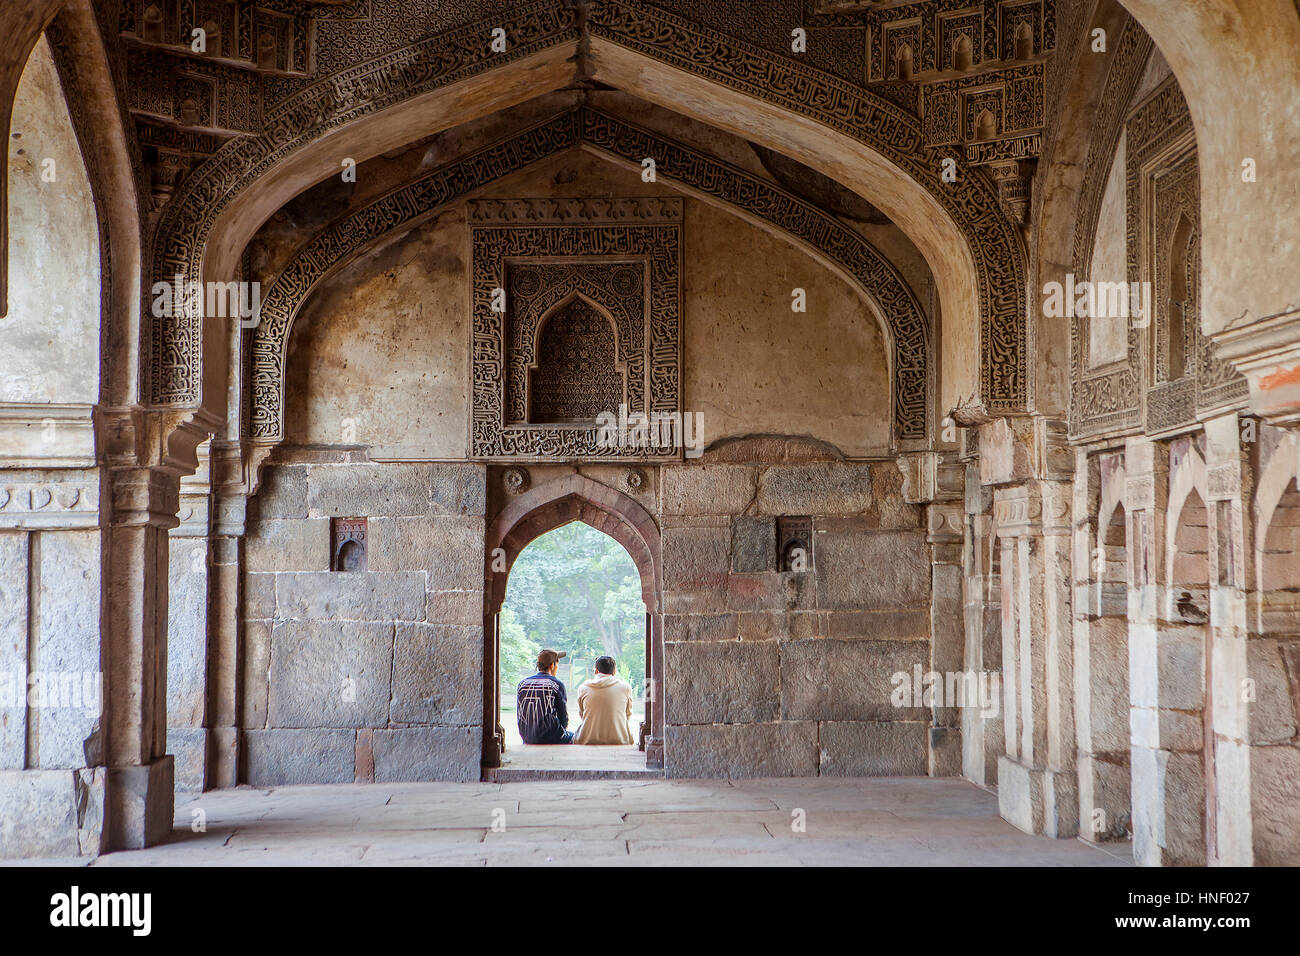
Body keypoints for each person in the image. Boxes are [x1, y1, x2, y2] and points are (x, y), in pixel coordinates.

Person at [573, 656, 635, 745]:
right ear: (614, 671)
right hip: (619, 739)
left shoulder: (583, 688)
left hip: (588, 739)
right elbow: (628, 714)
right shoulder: (625, 688)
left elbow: (582, 714)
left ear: (596, 671)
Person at [516, 649, 573, 744]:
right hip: (551, 737)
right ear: (552, 665)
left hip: (527, 738)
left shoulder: (522, 684)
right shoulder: (556, 684)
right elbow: (563, 718)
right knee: (574, 737)